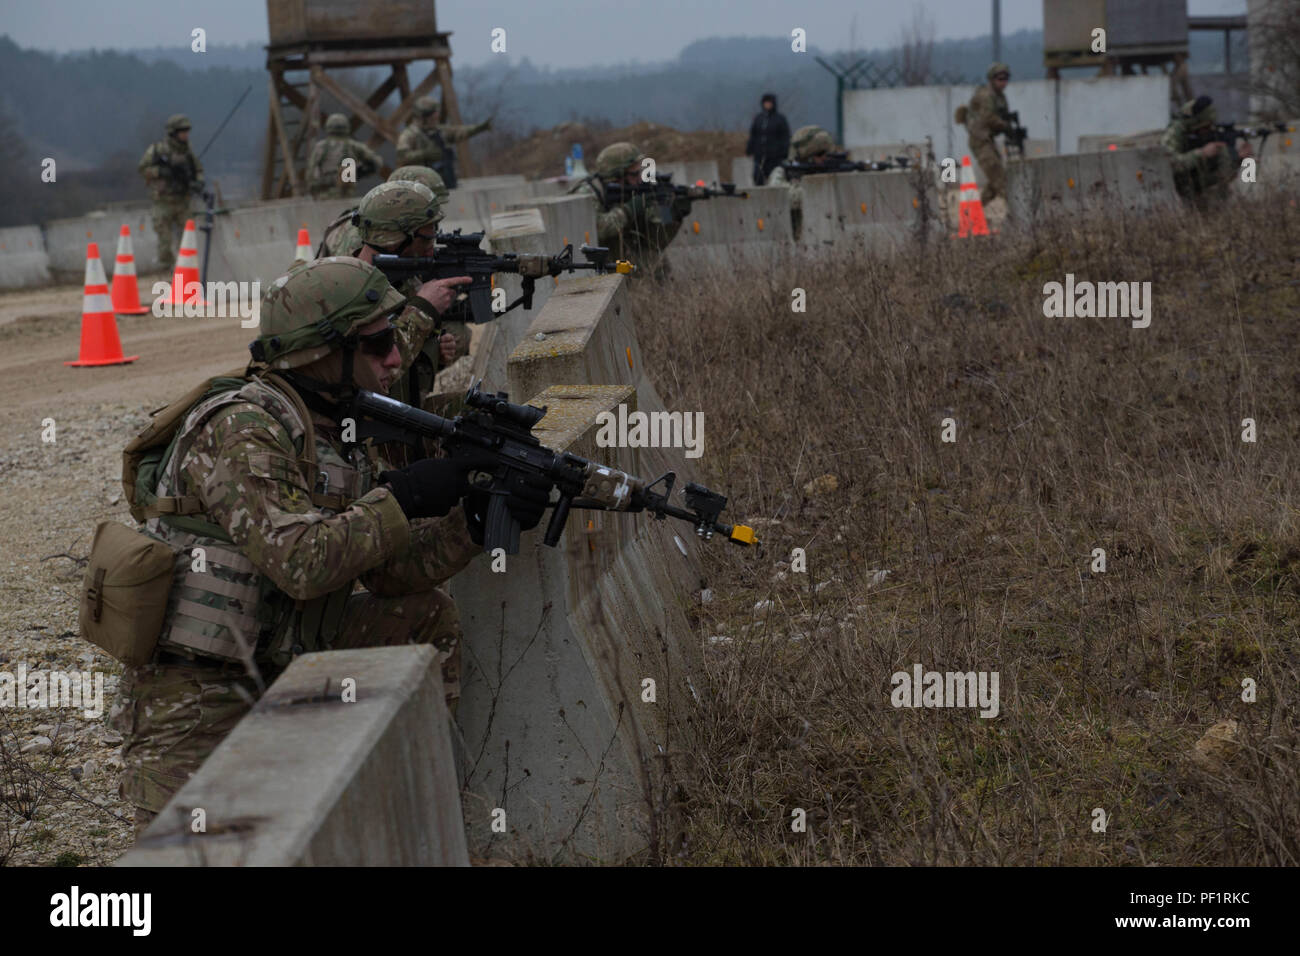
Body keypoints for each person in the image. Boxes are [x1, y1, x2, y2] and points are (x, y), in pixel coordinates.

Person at [108, 256, 548, 838]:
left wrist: (470, 522)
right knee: (200, 850)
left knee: (422, 616)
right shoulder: (243, 427)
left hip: (283, 651)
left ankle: (404, 809)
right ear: (320, 352)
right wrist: (402, 497)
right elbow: (302, 565)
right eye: (379, 344)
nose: (397, 358)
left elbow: (388, 575)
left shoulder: (332, 425)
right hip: (195, 692)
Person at [569, 141, 698, 280]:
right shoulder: (588, 193)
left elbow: (656, 242)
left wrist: (673, 213)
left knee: (657, 262)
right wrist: (629, 209)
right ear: (617, 175)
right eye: (635, 173)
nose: (640, 178)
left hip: (635, 272)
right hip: (601, 271)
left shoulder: (636, 191)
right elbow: (596, 228)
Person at [138, 114, 204, 273]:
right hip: (163, 201)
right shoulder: (158, 150)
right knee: (165, 242)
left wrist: (197, 182)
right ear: (173, 132)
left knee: (187, 240)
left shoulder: (188, 152)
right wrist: (160, 171)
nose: (185, 134)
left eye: (187, 131)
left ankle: (186, 272)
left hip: (183, 201)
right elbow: (142, 169)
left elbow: (198, 170)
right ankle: (166, 272)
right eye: (182, 131)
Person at [1161, 95, 1252, 203]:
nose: (1208, 131)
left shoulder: (1208, 136)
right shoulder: (1175, 133)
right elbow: (1168, 165)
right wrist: (1201, 153)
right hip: (1180, 197)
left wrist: (1237, 159)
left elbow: (1221, 178)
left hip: (1203, 195)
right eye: (1205, 127)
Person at [396, 96, 491, 188]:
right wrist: (424, 154)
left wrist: (479, 128)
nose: (435, 118)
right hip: (420, 186)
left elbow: (458, 132)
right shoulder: (409, 135)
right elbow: (402, 157)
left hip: (444, 182)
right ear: (422, 117)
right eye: (432, 116)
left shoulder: (439, 131)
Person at [765, 125, 836, 241]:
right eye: (819, 154)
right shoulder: (782, 172)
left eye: (827, 154)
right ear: (806, 156)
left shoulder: (832, 170)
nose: (824, 158)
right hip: (798, 238)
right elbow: (778, 196)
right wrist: (813, 188)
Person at [956, 62, 1013, 206]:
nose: (1003, 82)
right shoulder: (986, 95)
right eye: (1000, 79)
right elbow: (989, 118)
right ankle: (1017, 212)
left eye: (1005, 79)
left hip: (988, 140)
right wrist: (1005, 126)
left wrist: (1007, 126)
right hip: (979, 141)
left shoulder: (1000, 97)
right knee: (999, 180)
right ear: (992, 79)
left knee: (996, 180)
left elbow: (1001, 117)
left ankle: (974, 211)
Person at [305, 113, 383, 200]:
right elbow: (376, 162)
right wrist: (359, 173)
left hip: (323, 194)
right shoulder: (353, 146)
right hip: (345, 194)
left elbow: (311, 172)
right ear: (346, 127)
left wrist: (313, 188)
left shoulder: (320, 147)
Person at [745, 92, 791, 186]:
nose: (767, 105)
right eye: (766, 102)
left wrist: (784, 152)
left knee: (775, 181)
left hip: (775, 157)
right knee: (757, 178)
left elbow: (785, 137)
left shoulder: (780, 119)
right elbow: (753, 135)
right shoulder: (758, 119)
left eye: (769, 102)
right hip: (760, 156)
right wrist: (749, 149)